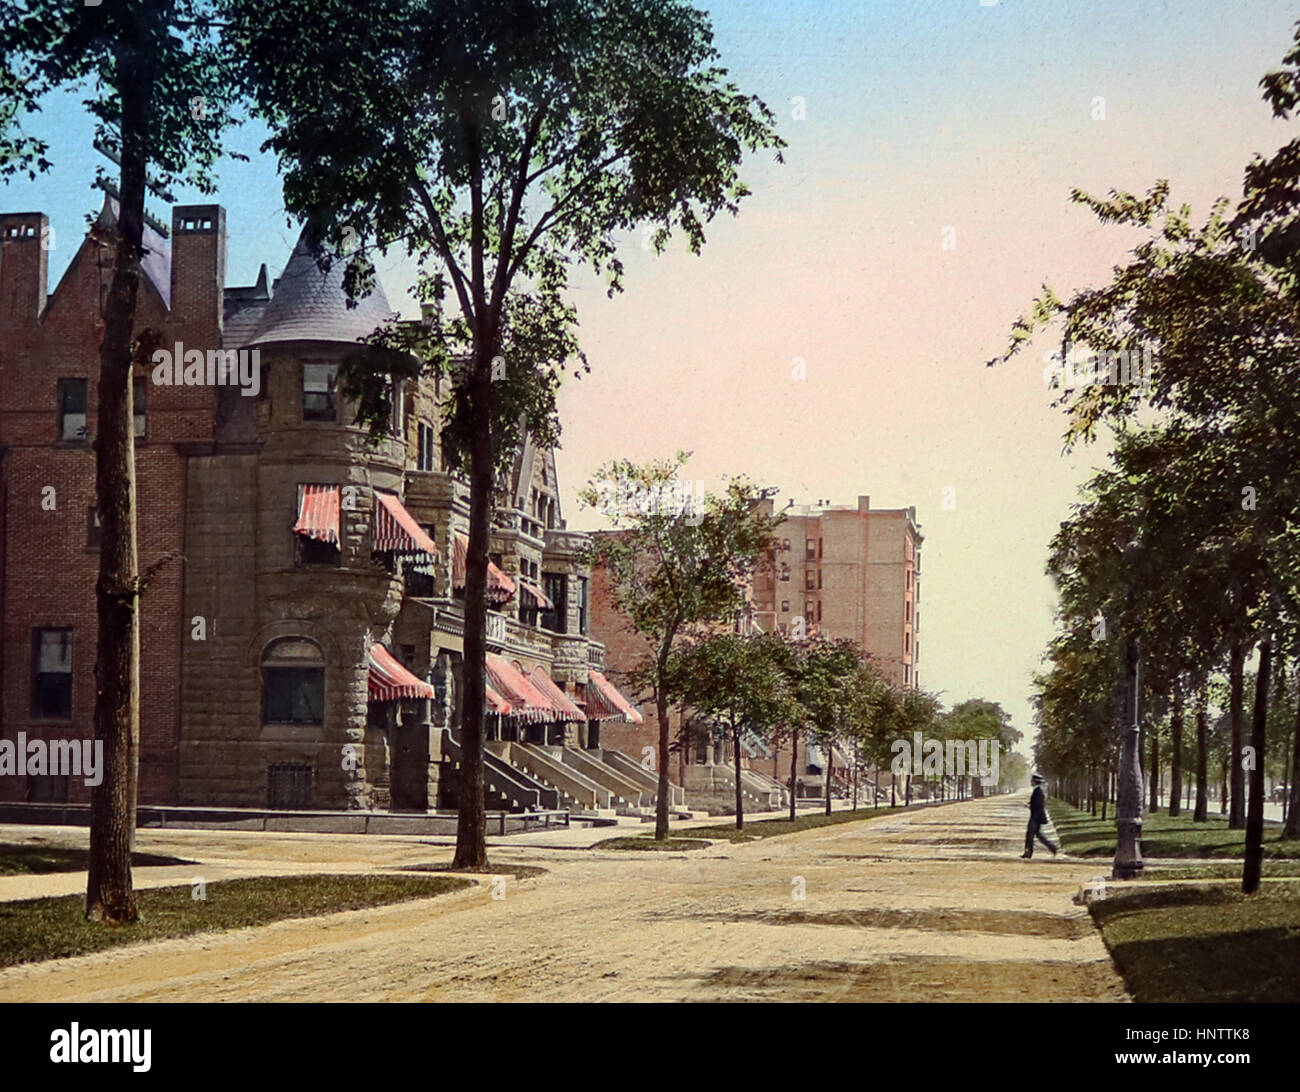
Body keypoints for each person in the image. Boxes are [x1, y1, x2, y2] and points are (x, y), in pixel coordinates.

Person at [1022, 773, 1059, 858]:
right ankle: (1053, 848)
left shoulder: (1038, 791)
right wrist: (1029, 804)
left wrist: (1030, 806)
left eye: (1032, 781)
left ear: (1035, 781)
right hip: (1036, 816)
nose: (1031, 782)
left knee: (1030, 834)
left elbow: (1038, 805)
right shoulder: (1038, 790)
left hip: (1036, 816)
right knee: (1039, 835)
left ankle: (1028, 852)